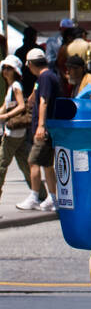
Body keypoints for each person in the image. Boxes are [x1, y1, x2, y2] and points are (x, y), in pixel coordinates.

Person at [16, 48, 61, 212]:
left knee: (33, 162)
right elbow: (36, 97)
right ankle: (53, 198)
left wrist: (41, 126)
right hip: (49, 127)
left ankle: (34, 197)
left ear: (29, 64)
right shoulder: (46, 77)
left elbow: (44, 101)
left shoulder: (45, 77)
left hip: (44, 128)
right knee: (47, 164)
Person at [0, 55, 31, 205]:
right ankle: (42, 195)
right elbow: (5, 107)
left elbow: (21, 106)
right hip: (17, 133)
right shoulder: (11, 86)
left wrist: (5, 115)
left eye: (9, 68)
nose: (5, 71)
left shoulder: (16, 86)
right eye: (4, 68)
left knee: (1, 164)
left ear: (15, 71)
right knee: (25, 165)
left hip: (13, 133)